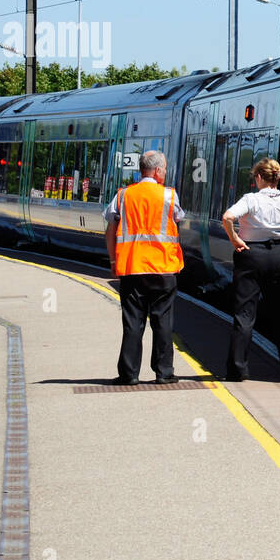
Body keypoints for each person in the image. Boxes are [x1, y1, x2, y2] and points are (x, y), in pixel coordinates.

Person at [103, 150, 185, 385]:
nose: (166, 173)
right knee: (163, 322)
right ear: (157, 171)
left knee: (132, 322)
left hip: (131, 267)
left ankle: (129, 374)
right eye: (165, 169)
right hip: (163, 268)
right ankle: (164, 372)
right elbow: (178, 219)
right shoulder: (170, 196)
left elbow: (110, 229)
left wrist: (112, 261)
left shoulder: (123, 195)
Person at [221, 158, 280, 381]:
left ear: (259, 177)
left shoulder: (251, 200)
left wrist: (235, 238)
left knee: (245, 314)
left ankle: (237, 370)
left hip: (250, 255)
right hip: (276, 256)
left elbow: (228, 217)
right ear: (277, 178)